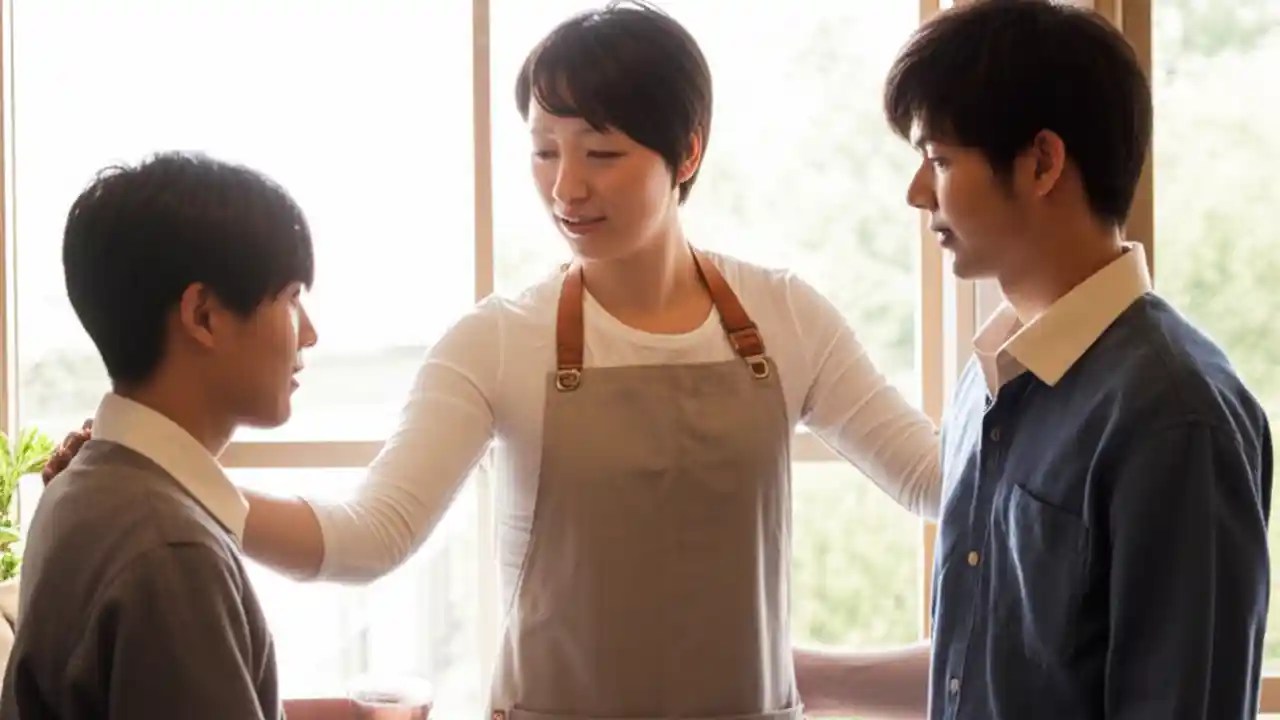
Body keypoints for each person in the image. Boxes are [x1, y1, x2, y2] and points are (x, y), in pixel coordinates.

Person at [42, 3, 943, 717]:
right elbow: (369, 535)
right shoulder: (500, 339)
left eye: (601, 153)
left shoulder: (786, 317)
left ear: (688, 151)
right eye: (544, 151)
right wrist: (182, 485)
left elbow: (938, 479)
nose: (566, 187)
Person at [802, 1, 1273, 718]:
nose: (917, 193)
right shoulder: (987, 381)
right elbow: (982, 671)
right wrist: (789, 671)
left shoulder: (1176, 415)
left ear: (1043, 162)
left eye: (940, 160)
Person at [0, 152, 336, 719]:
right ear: (203, 315)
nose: (309, 333)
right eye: (290, 298)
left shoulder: (80, 487)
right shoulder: (172, 552)